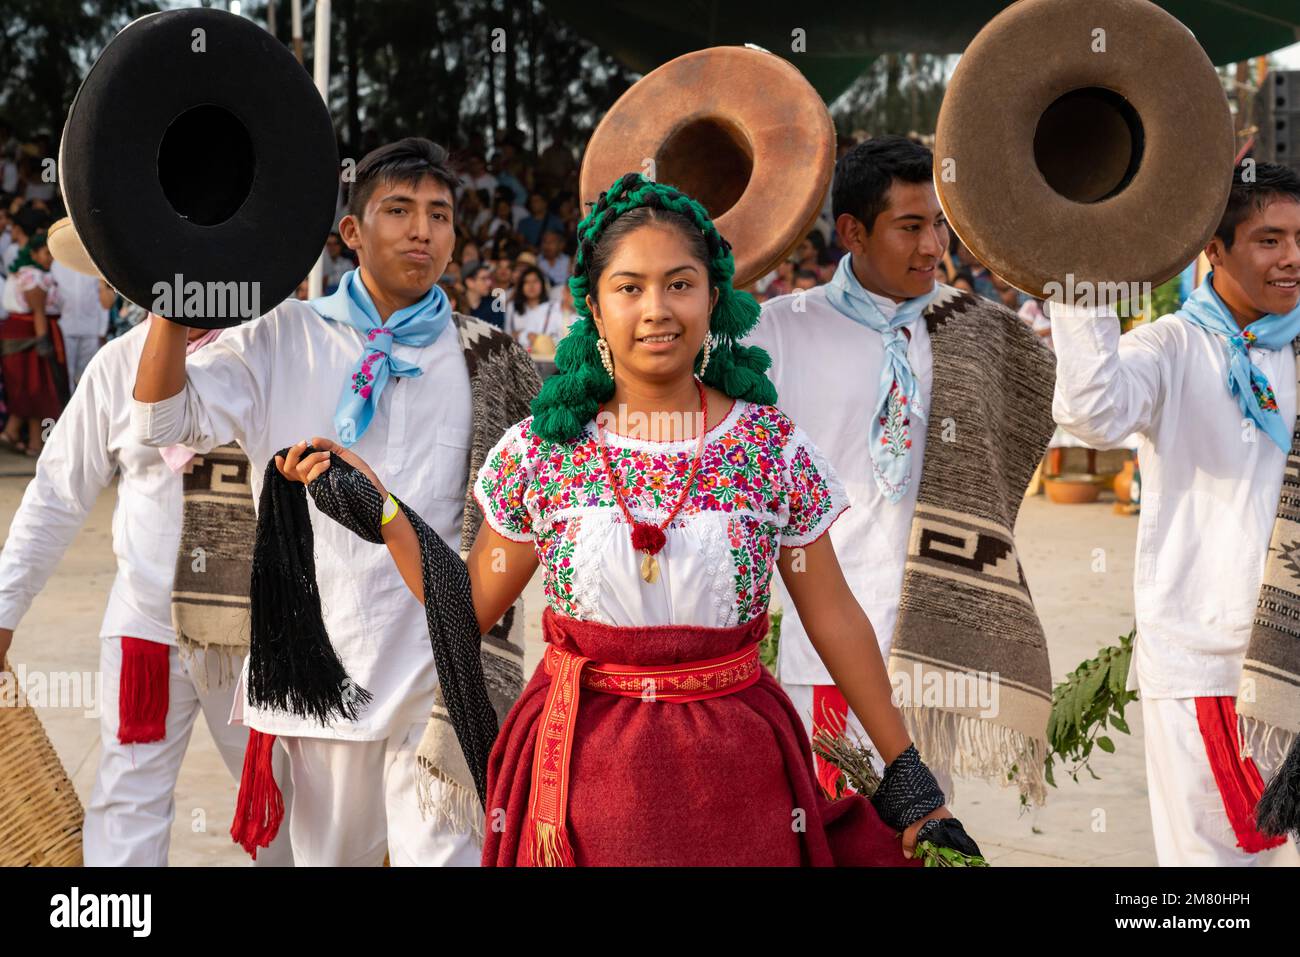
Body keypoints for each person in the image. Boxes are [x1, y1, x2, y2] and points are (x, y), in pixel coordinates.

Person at [277, 172, 981, 867]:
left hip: (740, 781)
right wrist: (386, 513)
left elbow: (833, 617)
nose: (657, 309)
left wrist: (910, 780)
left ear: (714, 298)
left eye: (680, 284)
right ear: (591, 303)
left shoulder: (770, 447)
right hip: (578, 785)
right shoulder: (542, 453)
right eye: (629, 287)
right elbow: (467, 608)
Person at [130, 137, 541, 866]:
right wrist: (167, 290)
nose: (423, 229)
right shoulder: (282, 334)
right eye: (399, 209)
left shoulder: (490, 355)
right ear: (351, 233)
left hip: (439, 663)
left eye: (440, 214)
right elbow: (161, 421)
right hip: (323, 666)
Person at [746, 136, 1057, 805]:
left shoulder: (979, 331)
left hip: (932, 650)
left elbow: (1084, 409)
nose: (932, 246)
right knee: (831, 841)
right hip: (823, 653)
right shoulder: (779, 330)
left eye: (938, 224)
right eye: (911, 226)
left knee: (923, 835)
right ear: (853, 232)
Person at [1052, 161, 1300, 866]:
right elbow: (1093, 410)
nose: (1292, 258)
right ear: (1212, 251)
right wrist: (1081, 270)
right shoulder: (1170, 347)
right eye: (1269, 240)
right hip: (1210, 664)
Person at [0, 315, 295, 866]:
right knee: (128, 803)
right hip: (147, 629)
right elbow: (57, 494)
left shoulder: (281, 351)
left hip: (258, 640)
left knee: (280, 802)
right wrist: (4, 609)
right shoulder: (117, 363)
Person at [0, 233, 68, 456]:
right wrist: (43, 342)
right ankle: (32, 443)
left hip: (20, 334)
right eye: (46, 253)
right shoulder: (33, 276)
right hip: (31, 335)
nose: (50, 258)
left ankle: (16, 435)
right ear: (33, 253)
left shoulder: (24, 273)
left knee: (29, 387)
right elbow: (39, 311)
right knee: (38, 387)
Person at [49, 257, 112, 390]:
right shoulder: (57, 264)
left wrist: (101, 329)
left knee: (89, 374)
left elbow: (101, 299)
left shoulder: (92, 263)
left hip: (91, 328)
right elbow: (53, 295)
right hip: (65, 327)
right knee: (67, 373)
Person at [505, 265, 565, 352]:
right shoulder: (512, 307)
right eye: (526, 282)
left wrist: (522, 334)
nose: (531, 286)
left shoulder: (552, 307)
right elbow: (507, 335)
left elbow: (558, 335)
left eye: (535, 281)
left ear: (542, 284)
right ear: (521, 286)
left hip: (545, 357)